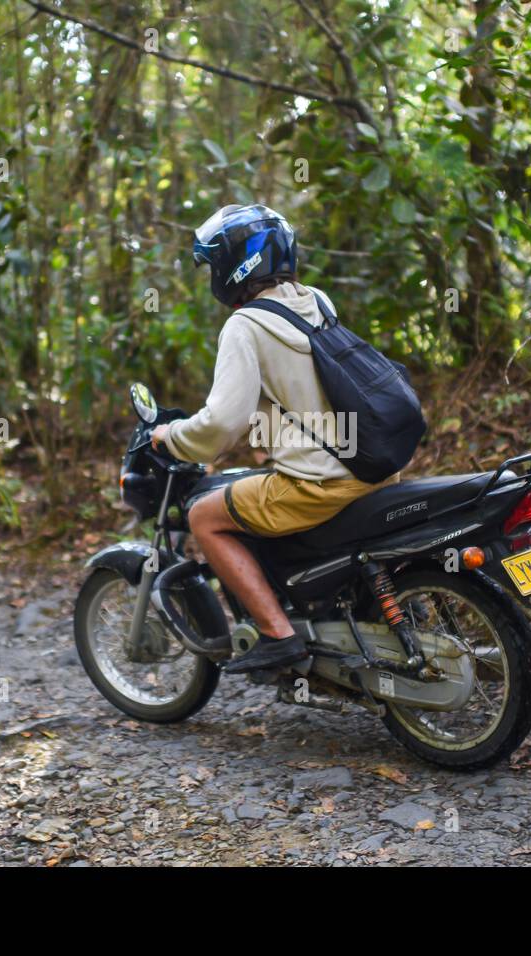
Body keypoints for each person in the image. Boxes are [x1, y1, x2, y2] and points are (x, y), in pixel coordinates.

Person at [150, 204, 394, 675]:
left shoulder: (245, 326)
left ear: (232, 265)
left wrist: (172, 437)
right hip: (373, 462)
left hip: (322, 483)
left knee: (204, 517)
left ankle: (277, 635)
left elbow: (220, 423)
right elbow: (311, 383)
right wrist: (268, 438)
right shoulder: (316, 300)